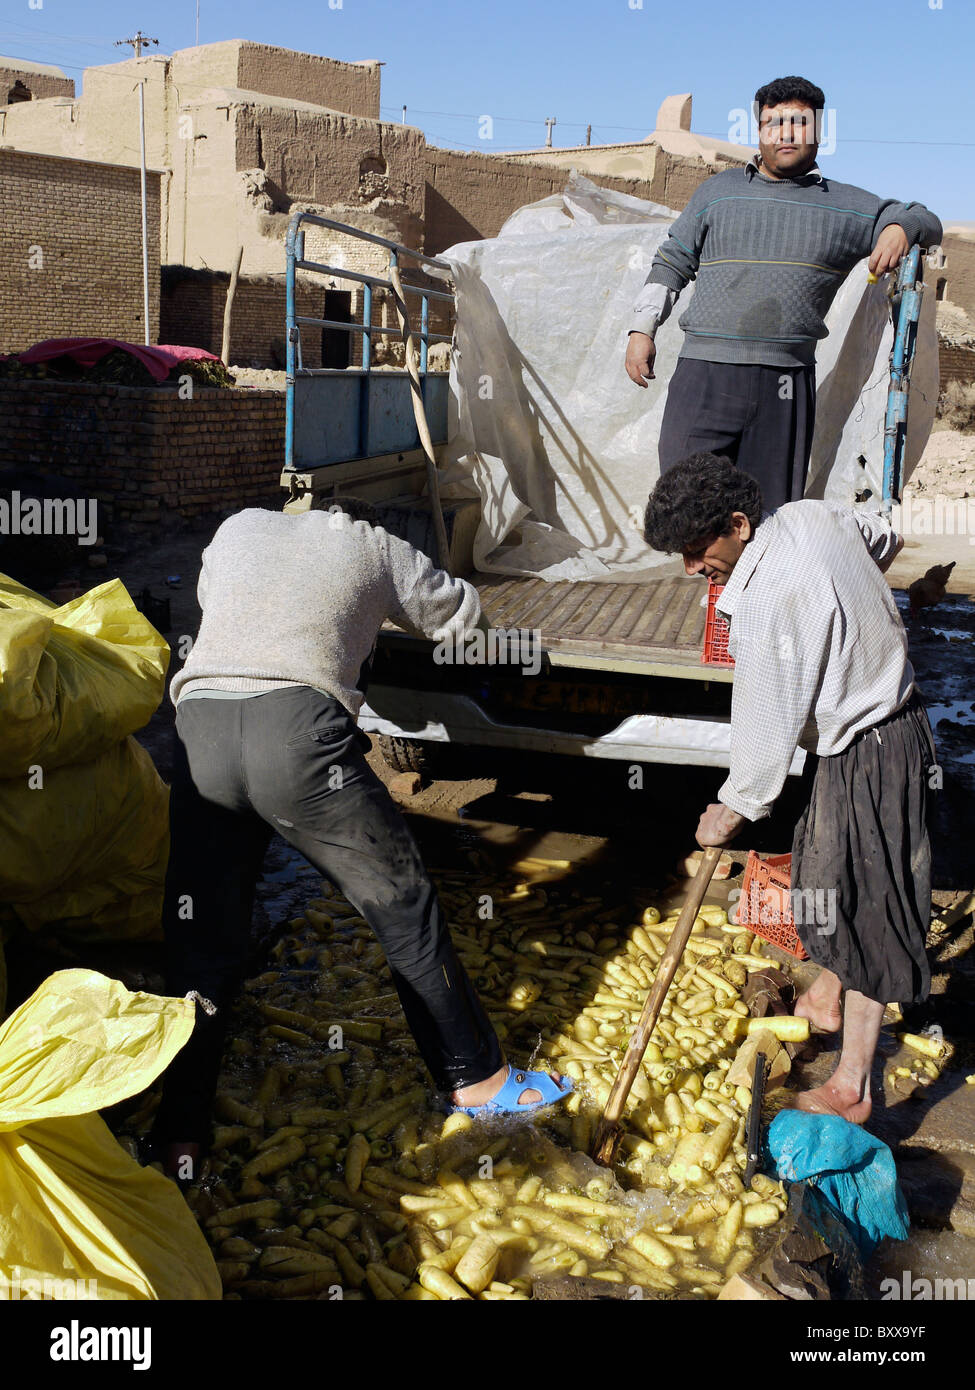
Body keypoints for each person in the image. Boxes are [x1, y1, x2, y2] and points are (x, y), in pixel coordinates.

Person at [150, 498, 570, 1178]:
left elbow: (220, 599)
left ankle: (180, 1139)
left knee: (199, 944)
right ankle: (478, 1079)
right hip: (297, 738)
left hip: (198, 728)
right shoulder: (374, 544)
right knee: (400, 903)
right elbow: (459, 624)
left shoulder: (236, 527)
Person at [643, 454, 936, 1123]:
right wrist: (847, 603)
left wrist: (733, 806)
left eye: (696, 549)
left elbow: (764, 721)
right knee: (827, 878)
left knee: (872, 910)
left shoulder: (768, 598)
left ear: (738, 524)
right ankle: (829, 992)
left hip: (876, 744)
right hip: (862, 739)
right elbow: (879, 537)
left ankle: (853, 1087)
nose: (692, 568)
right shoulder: (811, 516)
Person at [626, 75, 943, 510]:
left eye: (799, 122)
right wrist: (642, 330)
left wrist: (899, 227)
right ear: (759, 131)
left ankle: (756, 583)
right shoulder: (717, 193)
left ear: (818, 132)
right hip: (703, 374)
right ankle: (716, 581)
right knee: (686, 505)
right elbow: (672, 261)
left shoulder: (846, 206)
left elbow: (925, 219)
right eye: (773, 123)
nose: (786, 132)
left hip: (784, 385)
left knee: (769, 517)